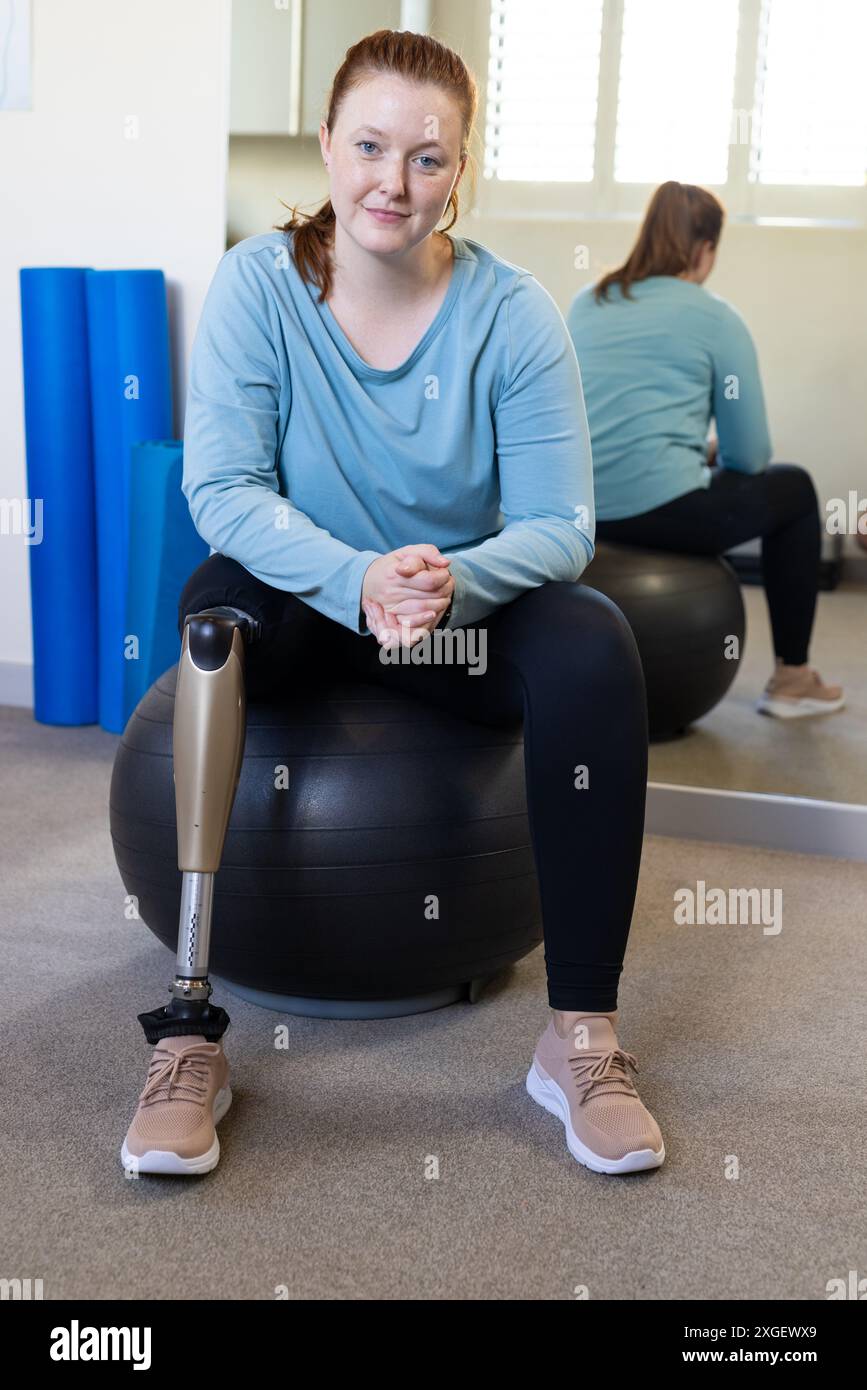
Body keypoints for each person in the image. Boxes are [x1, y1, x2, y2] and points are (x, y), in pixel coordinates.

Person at [122, 29, 664, 1179]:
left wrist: (450, 580)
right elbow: (222, 487)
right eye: (369, 145)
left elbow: (564, 523)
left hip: (455, 619)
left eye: (427, 157)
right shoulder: (262, 286)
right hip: (310, 601)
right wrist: (352, 577)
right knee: (213, 616)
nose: (394, 181)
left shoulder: (514, 314)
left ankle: (581, 1039)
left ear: (460, 170)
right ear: (327, 145)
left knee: (594, 642)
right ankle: (188, 1033)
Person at [567, 181, 843, 720]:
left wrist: (691, 446)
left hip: (582, 511)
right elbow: (751, 455)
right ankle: (792, 678)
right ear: (706, 249)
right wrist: (710, 452)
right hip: (661, 513)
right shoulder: (716, 316)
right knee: (796, 488)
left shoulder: (588, 301)